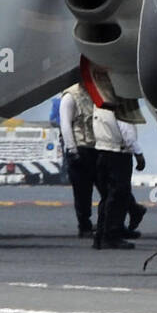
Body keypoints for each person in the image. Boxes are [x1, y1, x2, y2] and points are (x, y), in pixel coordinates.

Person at [92, 105, 145, 250]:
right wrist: (138, 154)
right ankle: (111, 235)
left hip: (102, 152)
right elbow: (127, 132)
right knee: (119, 195)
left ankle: (100, 235)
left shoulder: (98, 105)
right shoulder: (121, 105)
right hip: (119, 154)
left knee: (107, 197)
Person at [59, 82, 100, 237]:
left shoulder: (96, 91)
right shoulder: (70, 96)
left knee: (106, 188)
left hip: (96, 147)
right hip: (80, 148)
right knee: (82, 191)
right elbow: (65, 124)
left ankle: (106, 223)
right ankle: (84, 226)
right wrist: (72, 149)